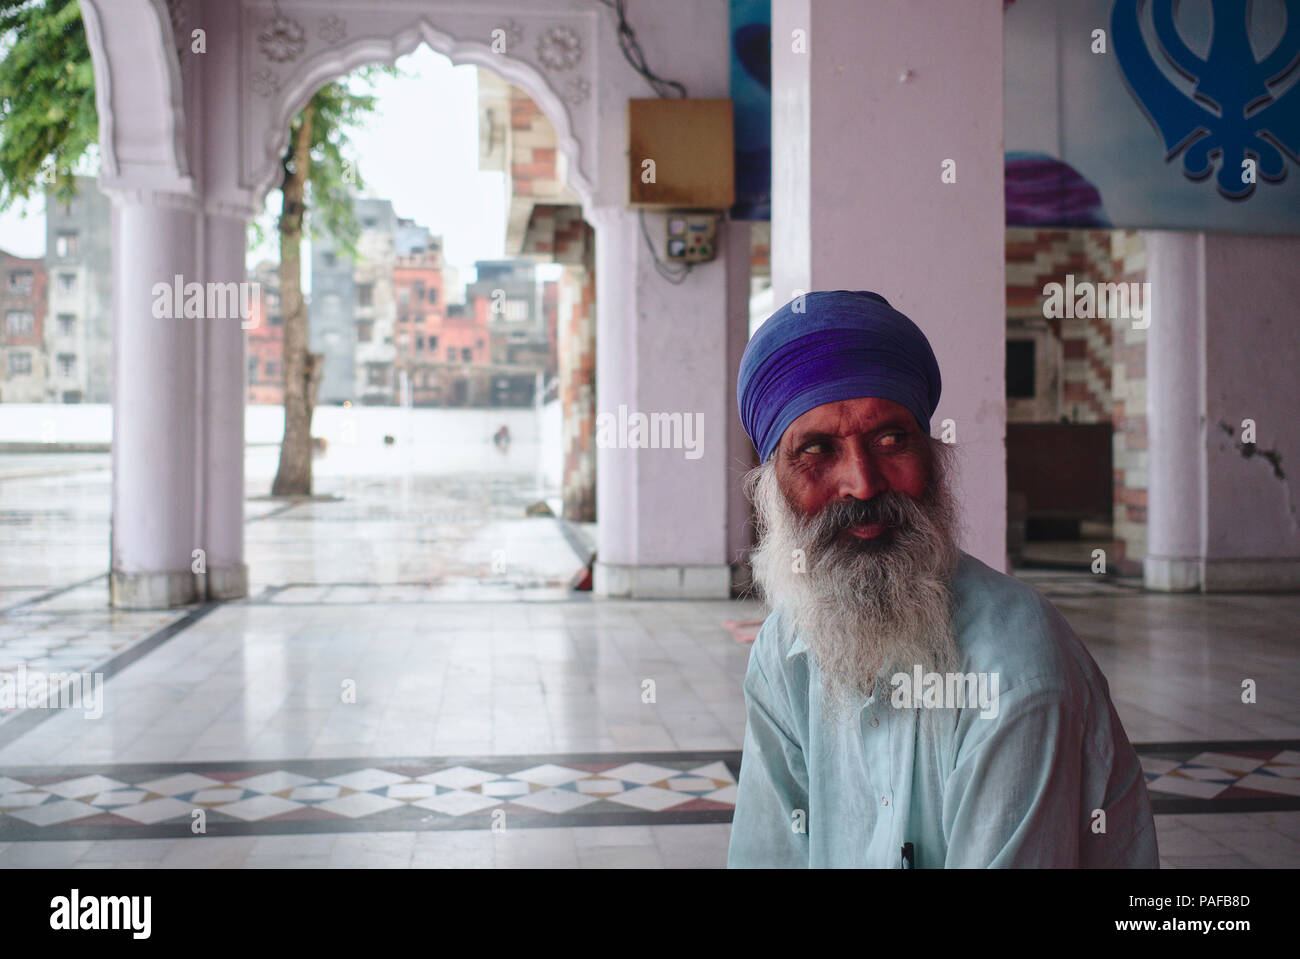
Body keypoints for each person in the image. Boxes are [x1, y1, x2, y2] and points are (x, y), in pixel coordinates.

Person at [727, 290, 1158, 868]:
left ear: (933, 458)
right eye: (817, 450)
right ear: (771, 487)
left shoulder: (1014, 674)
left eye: (890, 439)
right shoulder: (784, 652)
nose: (862, 482)